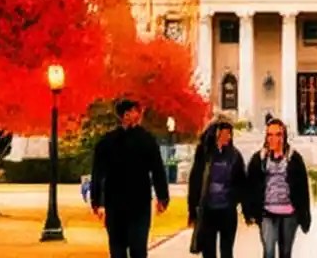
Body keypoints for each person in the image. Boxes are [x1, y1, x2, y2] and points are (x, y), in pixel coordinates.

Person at [91, 99, 170, 258]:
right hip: (116, 203)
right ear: (126, 115)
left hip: (138, 203)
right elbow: (98, 173)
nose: (139, 115)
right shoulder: (108, 142)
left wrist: (162, 196)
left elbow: (157, 169)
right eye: (135, 111)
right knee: (118, 247)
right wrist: (97, 202)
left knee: (138, 247)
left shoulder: (146, 140)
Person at [244, 118, 312, 258]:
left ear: (284, 136)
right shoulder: (259, 159)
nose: (274, 139)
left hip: (289, 213)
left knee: (285, 253)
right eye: (270, 135)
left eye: (278, 134)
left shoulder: (294, 158)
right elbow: (250, 186)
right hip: (267, 213)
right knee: (268, 252)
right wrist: (249, 211)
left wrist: (305, 215)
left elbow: (302, 189)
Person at [187, 120, 246, 258]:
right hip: (209, 211)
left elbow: (241, 181)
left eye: (230, 134)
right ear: (217, 134)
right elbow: (195, 181)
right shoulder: (204, 154)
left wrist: (237, 200)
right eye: (225, 133)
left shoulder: (234, 155)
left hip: (227, 211)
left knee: (227, 251)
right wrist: (192, 209)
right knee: (208, 252)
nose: (228, 137)